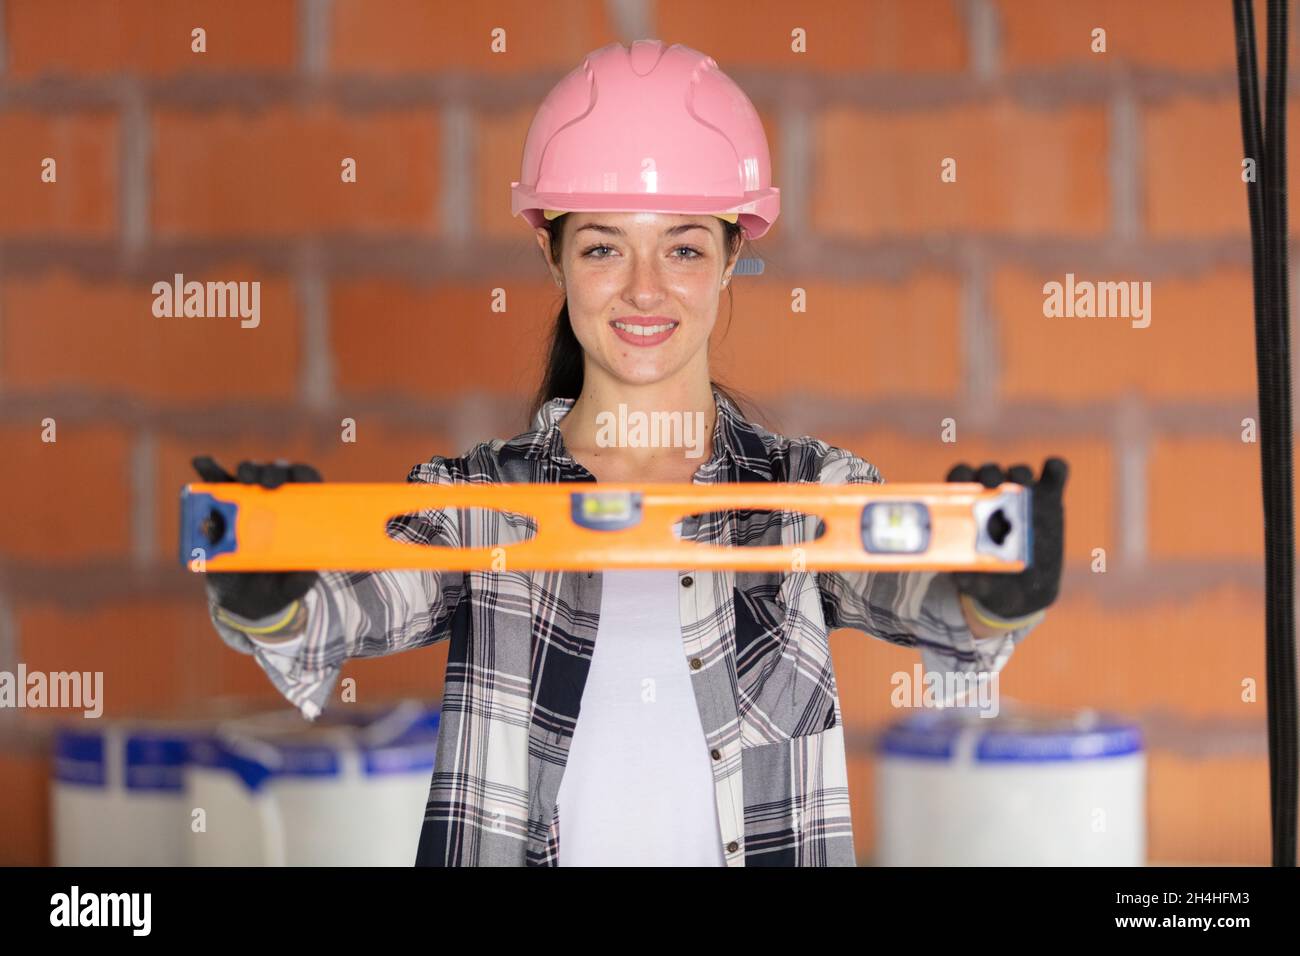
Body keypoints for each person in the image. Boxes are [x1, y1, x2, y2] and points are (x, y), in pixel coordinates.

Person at [195, 39, 1068, 867]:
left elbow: (929, 596)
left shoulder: (804, 494)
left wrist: (997, 592)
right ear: (553, 254)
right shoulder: (479, 501)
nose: (644, 288)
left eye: (683, 247)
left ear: (732, 257)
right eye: (604, 246)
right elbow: (348, 604)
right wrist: (273, 594)